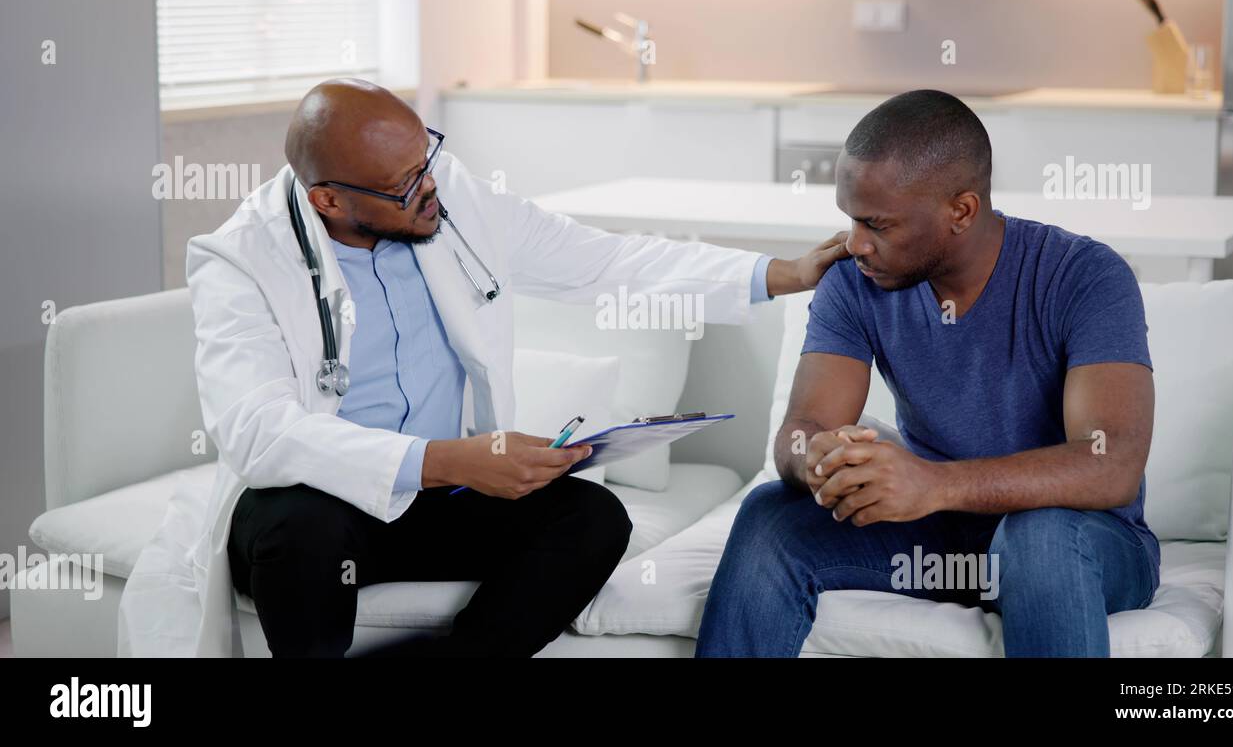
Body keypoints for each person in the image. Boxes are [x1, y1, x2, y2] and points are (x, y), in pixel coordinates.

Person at [117, 78, 850, 658]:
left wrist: (779, 271)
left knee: (590, 516)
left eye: (426, 156)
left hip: (439, 499)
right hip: (323, 501)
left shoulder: (450, 197)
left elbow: (604, 260)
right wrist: (442, 459)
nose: (430, 184)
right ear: (329, 199)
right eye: (403, 183)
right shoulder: (239, 258)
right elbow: (258, 431)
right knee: (299, 535)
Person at [696, 89, 1160, 658]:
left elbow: (1108, 465)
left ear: (960, 211)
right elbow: (802, 427)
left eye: (878, 224)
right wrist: (817, 457)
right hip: (936, 537)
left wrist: (933, 483)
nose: (855, 243)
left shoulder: (1085, 276)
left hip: (1084, 541)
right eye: (849, 219)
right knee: (770, 512)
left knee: (1039, 536)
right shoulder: (855, 278)